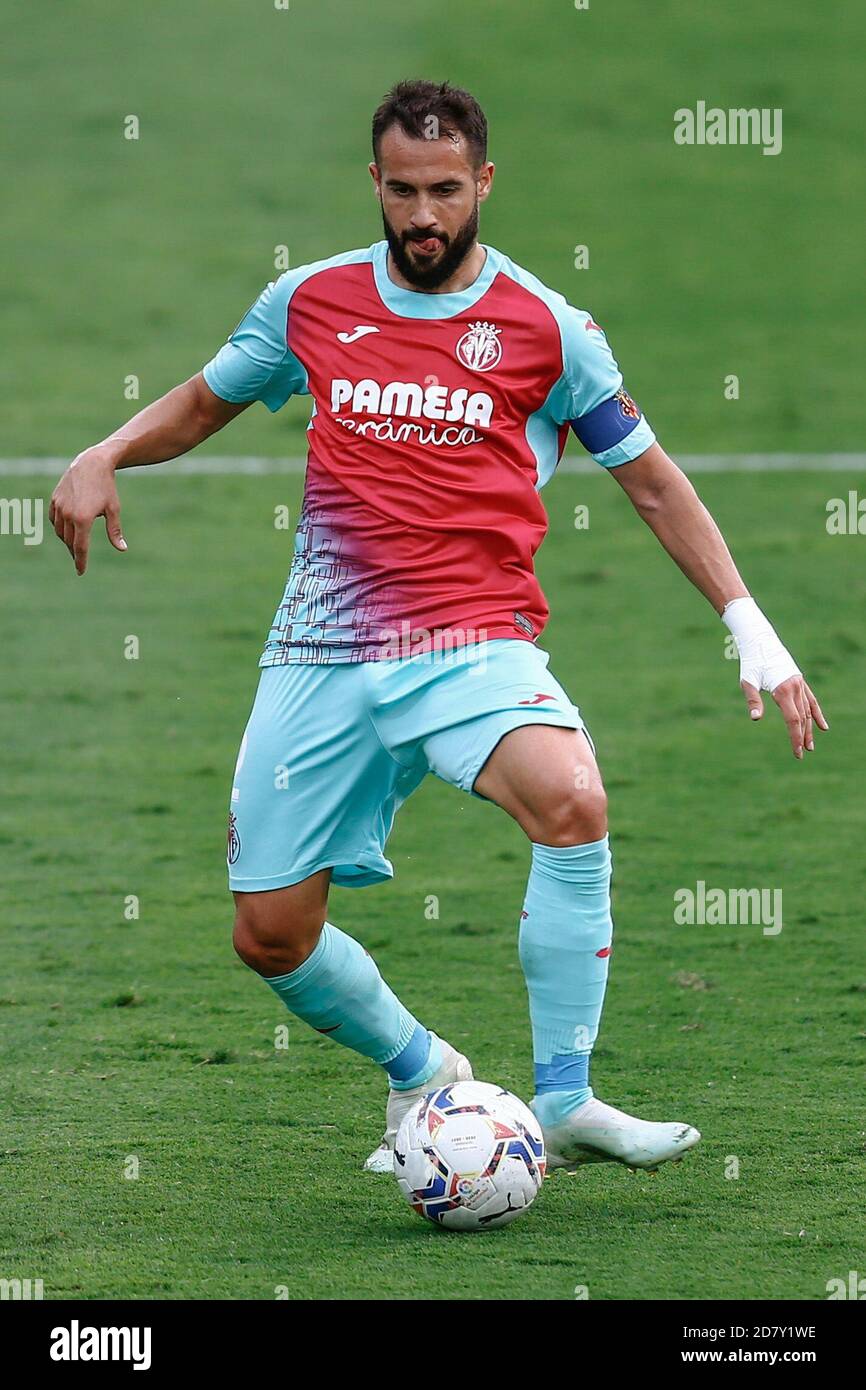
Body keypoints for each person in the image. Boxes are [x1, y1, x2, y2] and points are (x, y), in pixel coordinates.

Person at [50, 79, 827, 1177]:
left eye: (446, 192)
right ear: (373, 182)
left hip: (469, 641)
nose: (423, 216)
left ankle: (563, 1096)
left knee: (571, 798)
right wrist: (106, 452)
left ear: (484, 184)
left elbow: (650, 482)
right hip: (319, 648)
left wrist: (747, 622)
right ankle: (421, 1069)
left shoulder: (546, 326)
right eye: (403, 192)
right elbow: (203, 400)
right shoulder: (308, 301)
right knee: (268, 933)